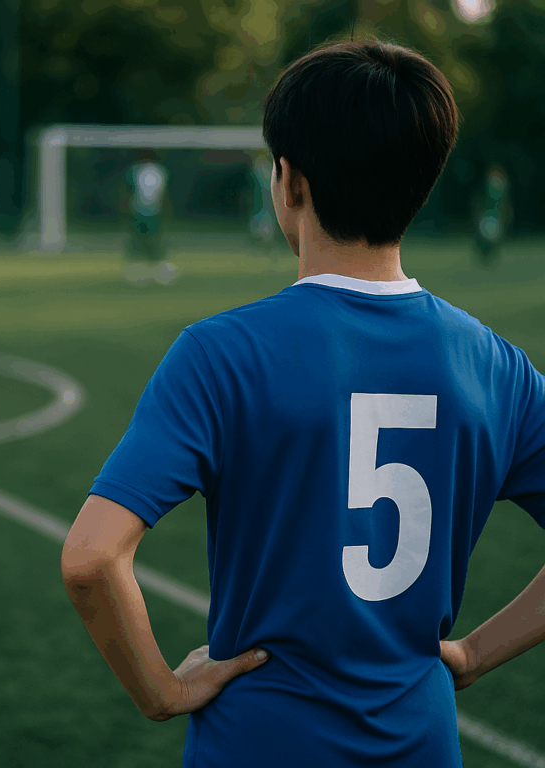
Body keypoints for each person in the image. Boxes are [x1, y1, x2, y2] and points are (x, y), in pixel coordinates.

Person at [61, 35, 545, 768]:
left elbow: (92, 559)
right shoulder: (497, 367)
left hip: (259, 742)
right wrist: (474, 651)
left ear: (289, 181)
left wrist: (160, 692)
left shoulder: (221, 353)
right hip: (422, 742)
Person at [122, 150, 179, 287]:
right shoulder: (141, 171)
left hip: (149, 211)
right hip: (142, 211)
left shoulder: (153, 171)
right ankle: (146, 271)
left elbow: (162, 193)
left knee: (149, 243)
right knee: (144, 242)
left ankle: (153, 271)